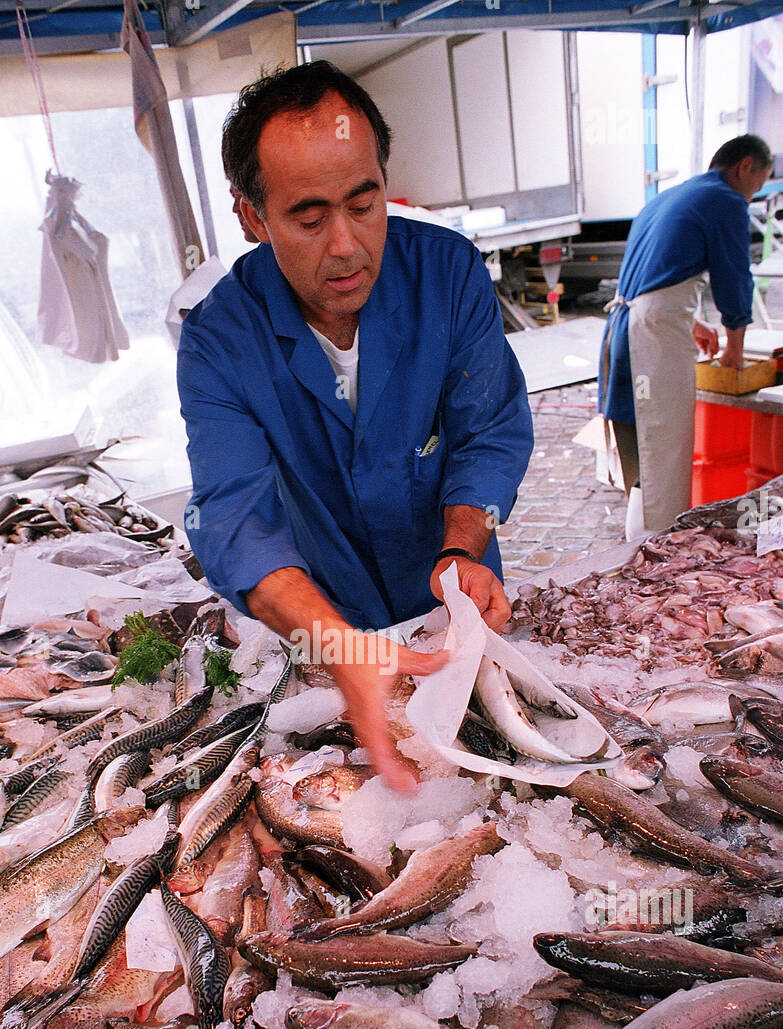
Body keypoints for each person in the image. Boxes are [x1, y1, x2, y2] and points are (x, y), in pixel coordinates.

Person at [177, 61, 532, 790]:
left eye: (363, 203)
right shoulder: (219, 339)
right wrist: (334, 643)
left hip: (454, 603)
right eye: (308, 217)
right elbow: (232, 517)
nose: (345, 245)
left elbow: (488, 429)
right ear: (251, 215)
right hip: (325, 616)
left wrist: (463, 546)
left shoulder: (449, 274)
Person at [599, 134, 773, 539]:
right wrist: (735, 350)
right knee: (664, 442)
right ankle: (659, 550)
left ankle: (638, 541)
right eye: (759, 183)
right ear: (745, 166)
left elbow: (654, 273)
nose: (753, 195)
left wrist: (693, 322)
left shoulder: (673, 195)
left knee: (644, 441)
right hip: (652, 337)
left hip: (626, 327)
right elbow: (734, 279)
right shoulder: (726, 201)